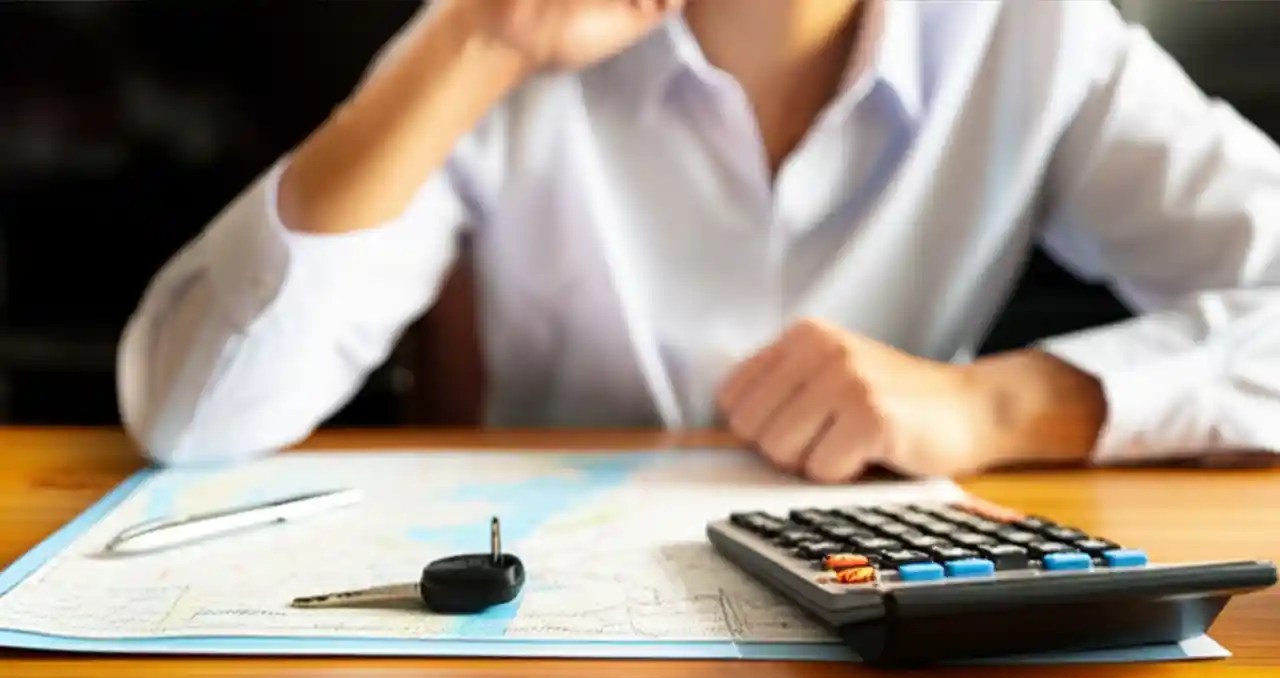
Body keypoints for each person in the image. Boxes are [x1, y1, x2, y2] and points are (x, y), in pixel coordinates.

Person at [118, 0, 1280, 481]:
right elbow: (194, 412)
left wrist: (997, 408)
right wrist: (478, 40)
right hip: (547, 648)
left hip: (880, 641)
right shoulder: (503, 24)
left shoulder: (1026, 31)